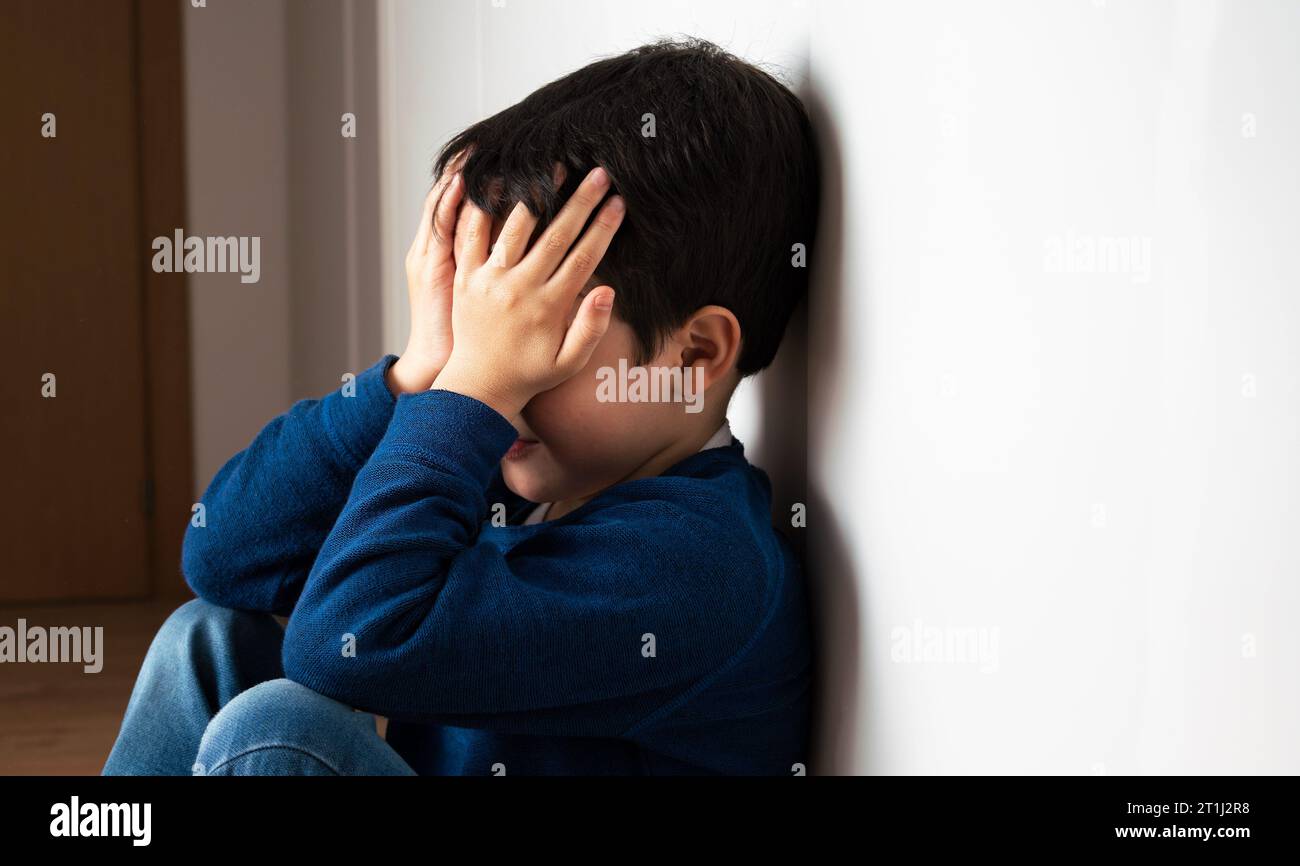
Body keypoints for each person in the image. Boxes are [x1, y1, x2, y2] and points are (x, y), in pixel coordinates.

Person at [104, 37, 820, 776]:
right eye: (483, 325)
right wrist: (418, 378)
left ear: (693, 356)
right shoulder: (508, 469)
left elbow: (346, 646)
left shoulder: (697, 569)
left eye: (534, 334)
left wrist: (470, 397)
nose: (494, 369)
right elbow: (222, 556)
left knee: (280, 729)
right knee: (208, 635)